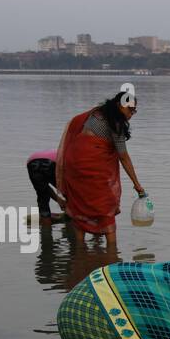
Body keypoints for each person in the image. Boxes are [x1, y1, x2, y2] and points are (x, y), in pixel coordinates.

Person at [56, 91, 147, 246]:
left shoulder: (96, 113)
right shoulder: (115, 123)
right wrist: (137, 185)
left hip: (73, 164)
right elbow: (123, 157)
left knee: (80, 206)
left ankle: (81, 253)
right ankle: (112, 255)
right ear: (120, 106)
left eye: (134, 111)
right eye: (129, 110)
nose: (131, 114)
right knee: (105, 206)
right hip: (90, 166)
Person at [26, 149, 68, 221]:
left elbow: (45, 188)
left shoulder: (60, 151)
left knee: (42, 196)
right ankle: (70, 215)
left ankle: (45, 219)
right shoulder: (68, 155)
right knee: (67, 191)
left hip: (32, 162)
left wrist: (59, 200)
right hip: (52, 162)